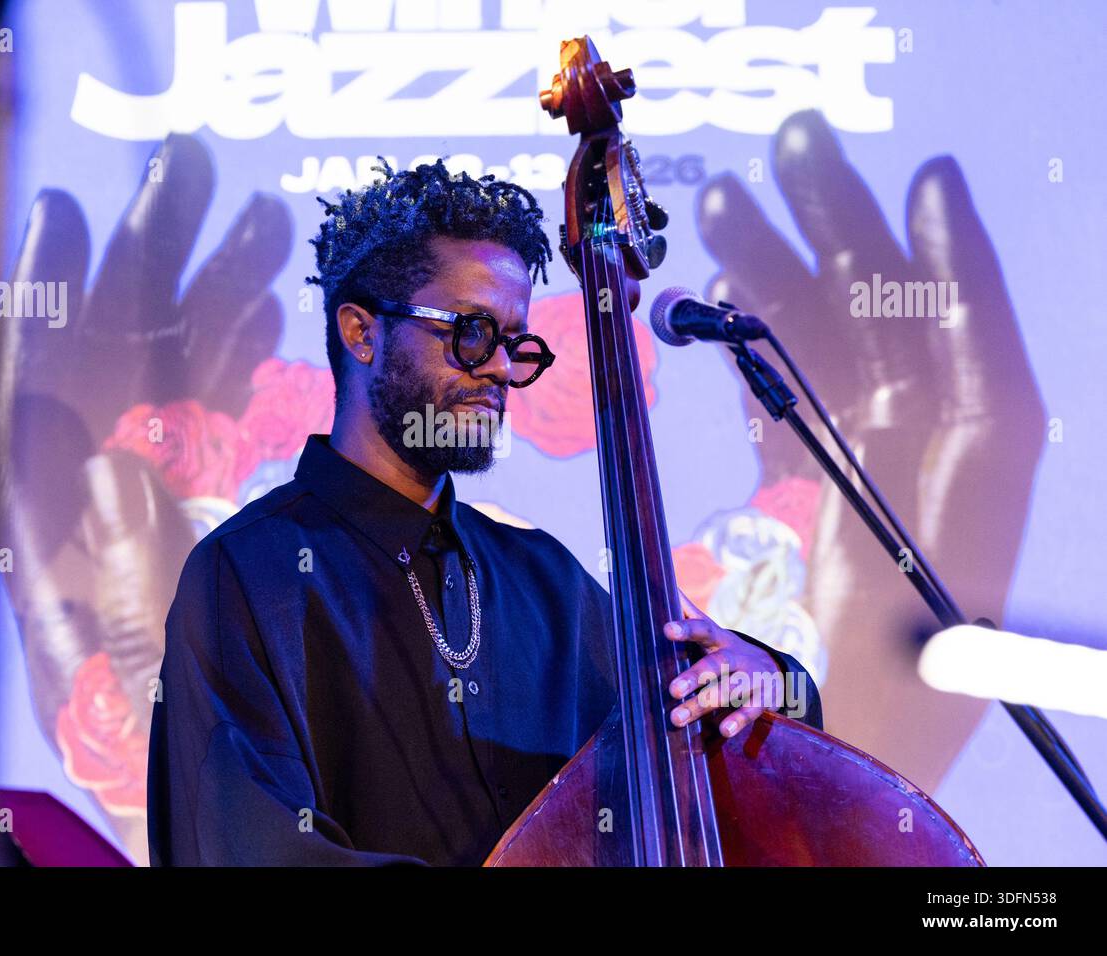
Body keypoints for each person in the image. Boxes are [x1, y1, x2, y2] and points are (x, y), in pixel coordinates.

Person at [147, 158, 821, 866]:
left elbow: (709, 716)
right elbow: (255, 851)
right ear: (360, 332)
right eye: (470, 333)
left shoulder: (546, 583)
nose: (499, 367)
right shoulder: (247, 574)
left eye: (513, 343)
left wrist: (770, 677)